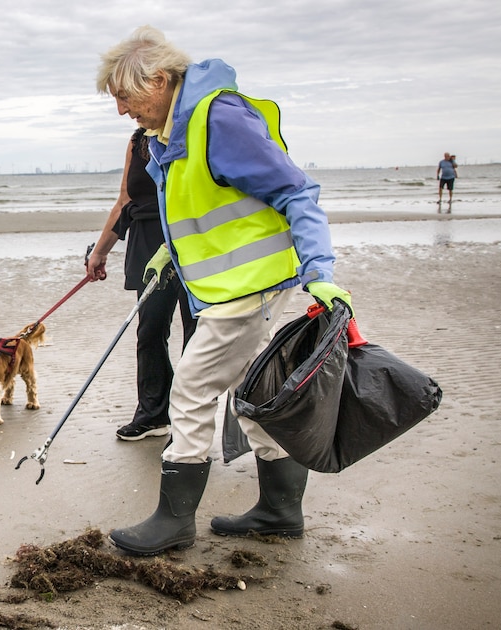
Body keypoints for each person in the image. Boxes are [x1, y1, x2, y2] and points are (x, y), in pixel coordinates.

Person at [94, 25, 353, 556]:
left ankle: (174, 520)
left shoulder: (218, 118)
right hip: (230, 283)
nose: (121, 110)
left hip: (249, 284)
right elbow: (195, 203)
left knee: (189, 391)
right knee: (253, 389)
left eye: (124, 96)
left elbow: (297, 191)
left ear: (160, 80)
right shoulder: (174, 128)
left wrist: (319, 271)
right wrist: (171, 249)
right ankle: (280, 510)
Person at [85, 126, 196, 441]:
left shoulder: (193, 128)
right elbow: (125, 198)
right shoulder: (138, 141)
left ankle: (190, 422)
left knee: (197, 335)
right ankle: (153, 415)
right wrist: (100, 251)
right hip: (147, 242)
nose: (126, 109)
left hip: (192, 241)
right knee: (149, 333)